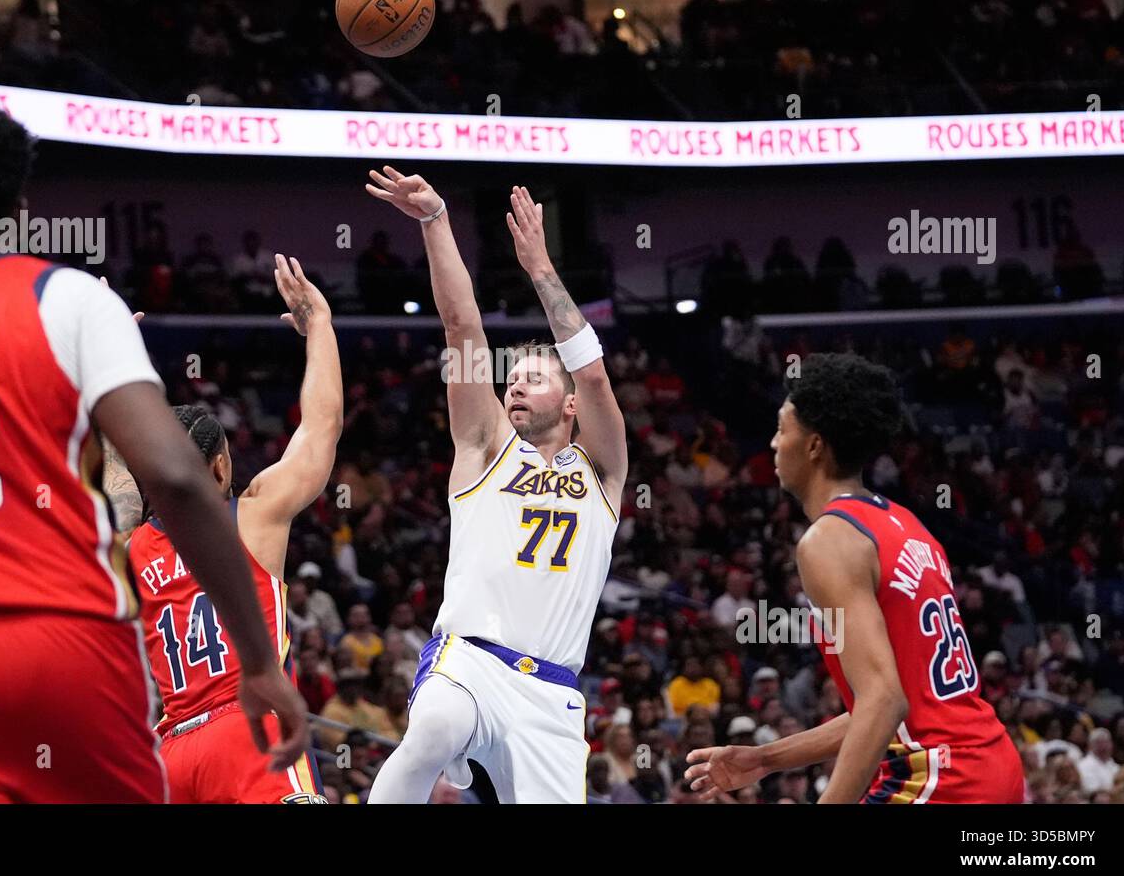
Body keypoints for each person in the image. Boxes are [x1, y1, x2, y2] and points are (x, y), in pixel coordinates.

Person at [0, 103, 306, 803]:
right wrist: (258, 657)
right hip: (61, 650)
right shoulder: (71, 300)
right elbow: (178, 478)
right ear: (18, 210)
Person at [365, 169, 626, 803]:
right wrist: (435, 221)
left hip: (554, 696)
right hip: (472, 662)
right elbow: (462, 330)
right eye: (514, 378)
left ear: (567, 407)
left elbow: (594, 379)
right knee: (433, 729)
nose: (515, 385)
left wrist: (540, 267)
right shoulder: (484, 447)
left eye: (535, 379)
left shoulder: (603, 474)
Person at [687, 353, 1023, 803]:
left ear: (814, 446)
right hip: (990, 761)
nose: (772, 443)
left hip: (941, 774)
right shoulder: (908, 526)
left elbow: (885, 703)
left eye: (782, 429)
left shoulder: (829, 539)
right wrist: (767, 759)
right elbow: (898, 704)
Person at [107, 254, 342, 803]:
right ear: (220, 467)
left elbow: (114, 463)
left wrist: (107, 349)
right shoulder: (254, 514)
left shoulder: (129, 545)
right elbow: (322, 426)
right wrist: (322, 328)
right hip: (250, 732)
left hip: (173, 755)